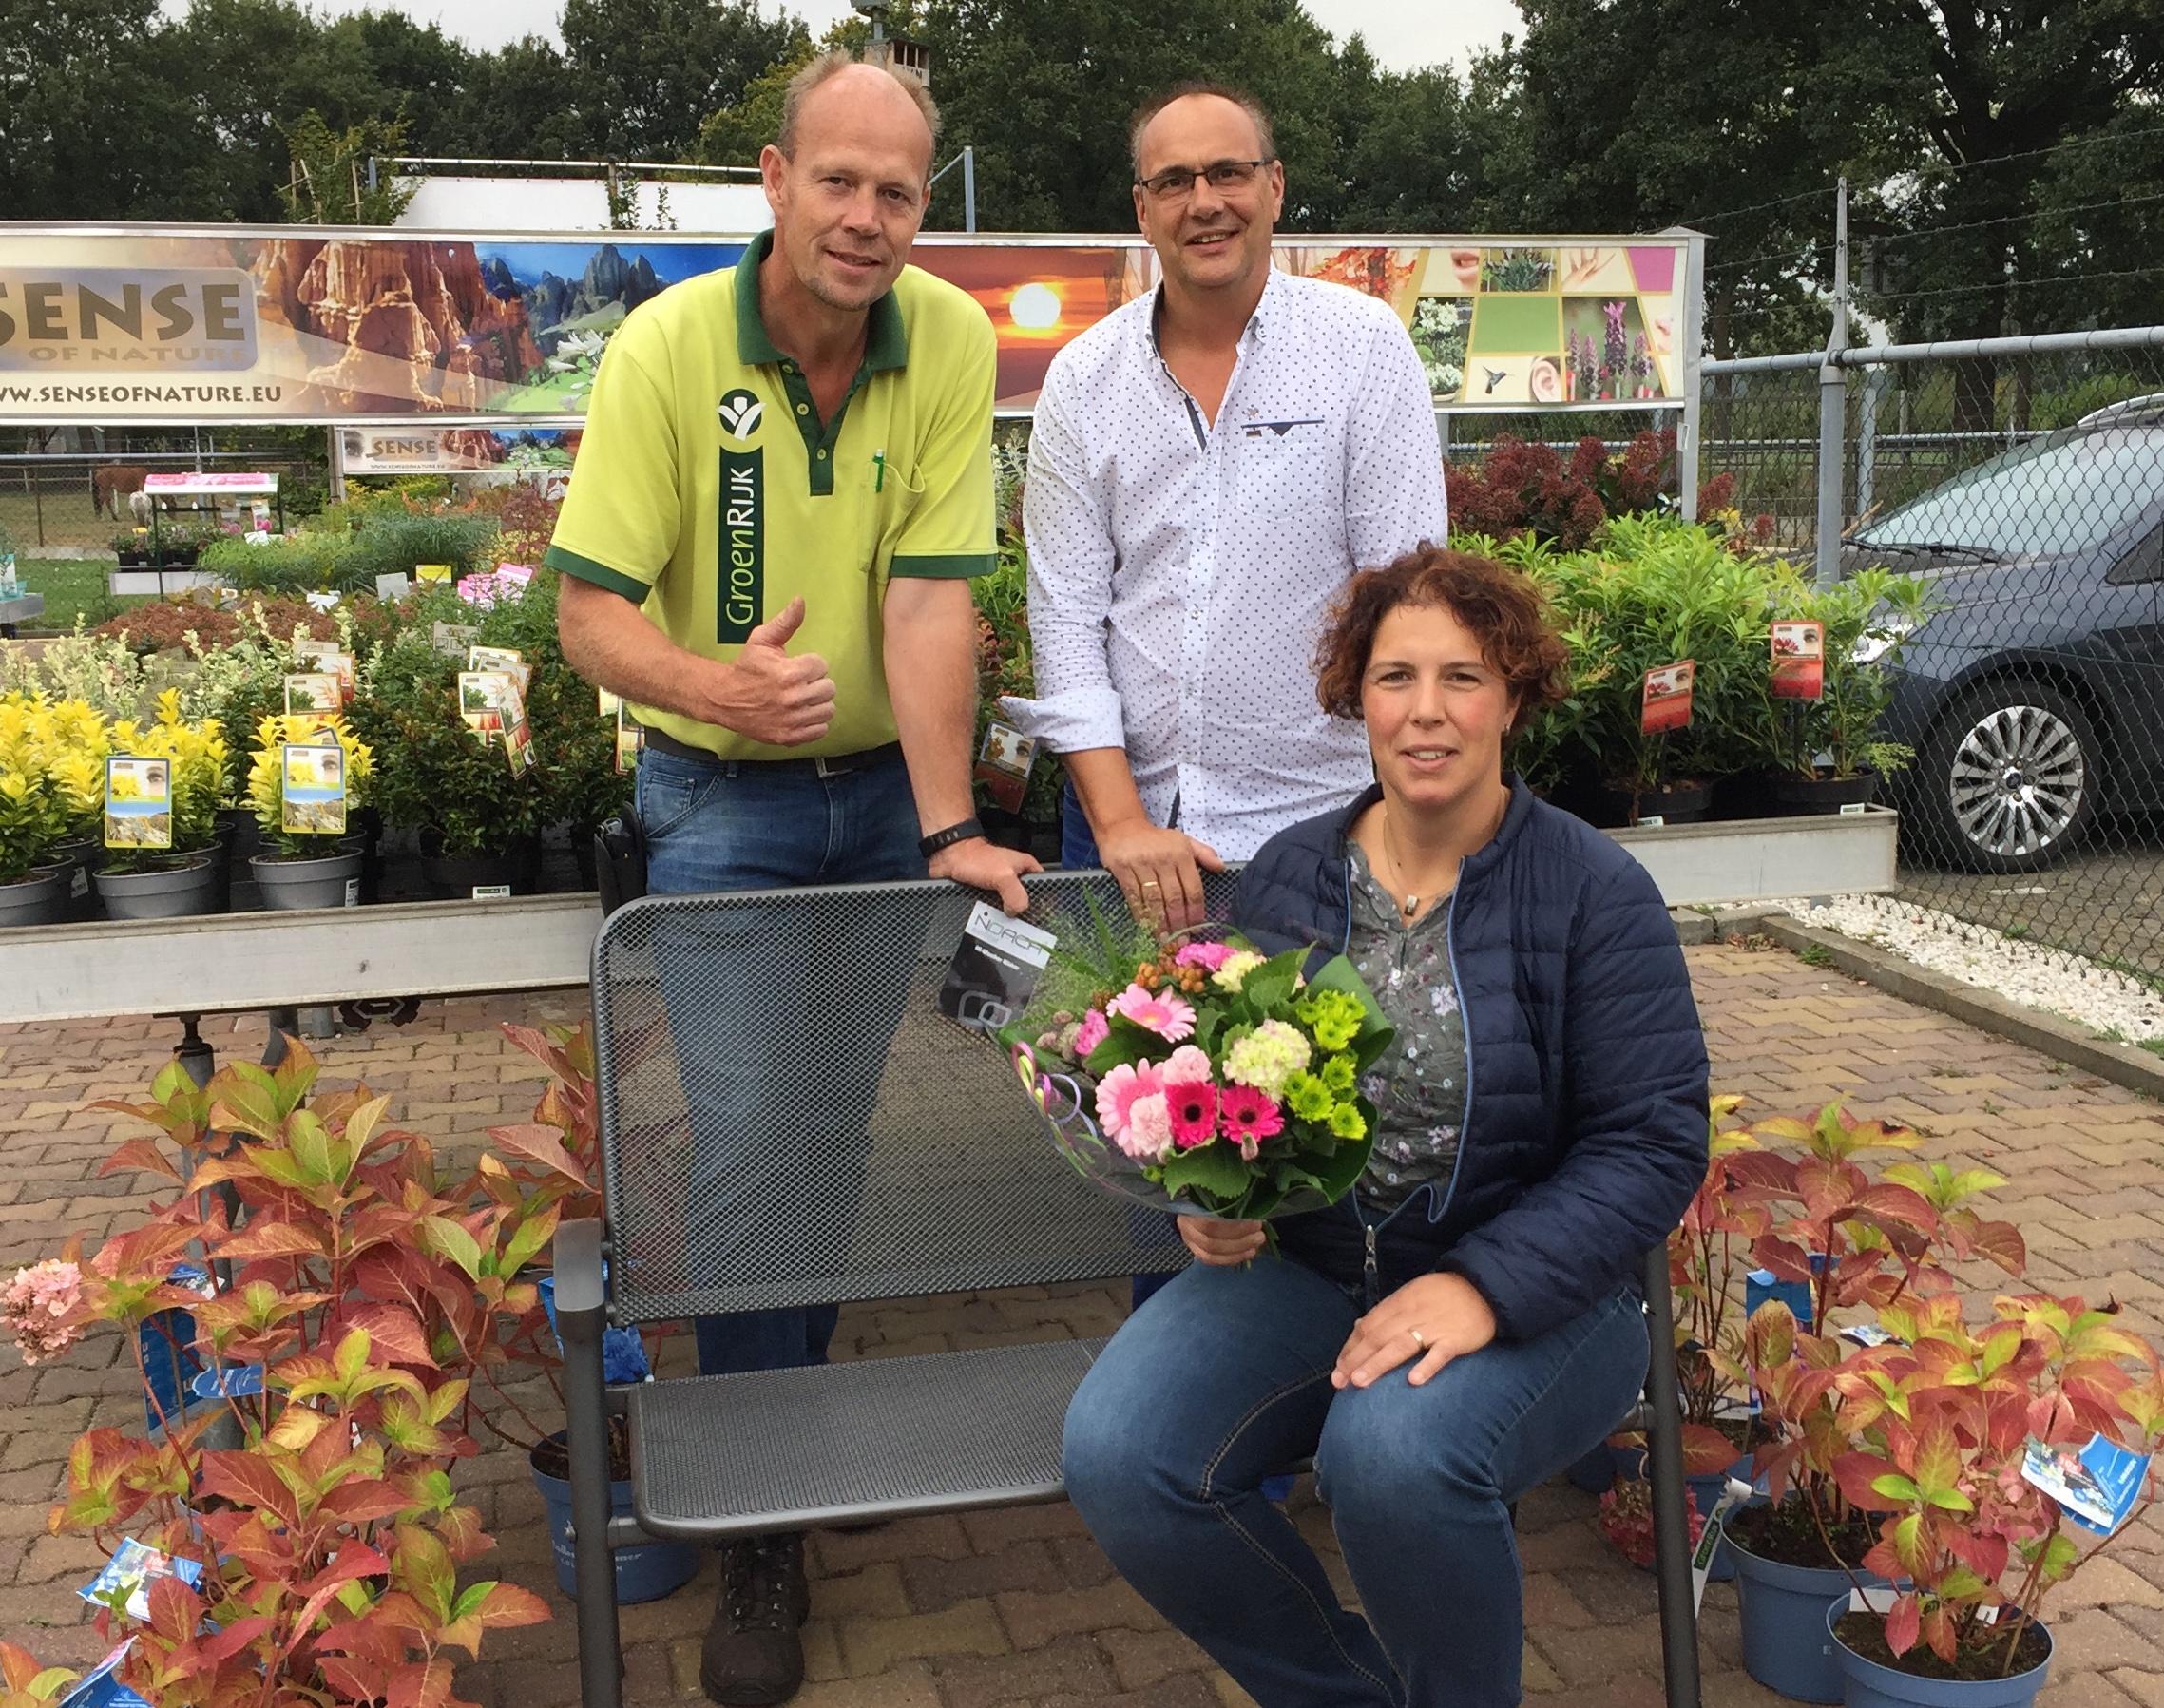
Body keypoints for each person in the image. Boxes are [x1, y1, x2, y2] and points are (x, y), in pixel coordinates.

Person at [546, 52, 1038, 1708]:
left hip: (879, 810)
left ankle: (788, 1422)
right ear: (773, 179)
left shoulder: (948, 341)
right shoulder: (671, 349)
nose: (868, 218)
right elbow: (588, 612)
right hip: (726, 800)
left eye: (898, 191)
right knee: (756, 1135)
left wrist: (952, 820)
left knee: (830, 1129)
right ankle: (762, 1508)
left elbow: (926, 605)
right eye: (838, 181)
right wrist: (714, 685)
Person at [1060, 546, 1711, 1708]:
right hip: (1315, 1267)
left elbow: (1651, 1142)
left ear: (1512, 697)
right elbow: (1233, 1085)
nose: (1425, 713)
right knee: (1122, 1454)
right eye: (1393, 677)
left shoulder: (1591, 892)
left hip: (1542, 1299)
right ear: (1354, 697)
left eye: (1461, 678)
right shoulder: (1294, 873)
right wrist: (1210, 1197)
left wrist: (1480, 1289)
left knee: (1392, 1460)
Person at [1002, 80, 1447, 931]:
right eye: (1174, 181)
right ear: (1142, 207)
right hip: (1132, 844)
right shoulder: (1085, 380)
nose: (1204, 203)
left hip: (1326, 831)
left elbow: (1411, 605)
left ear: (1274, 187)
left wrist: (1409, 819)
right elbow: (1065, 620)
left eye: (1227, 173)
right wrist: (1121, 824)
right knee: (1132, 1067)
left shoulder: (1361, 350)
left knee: (1321, 1064)